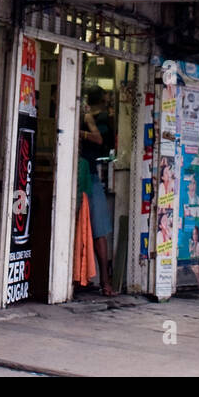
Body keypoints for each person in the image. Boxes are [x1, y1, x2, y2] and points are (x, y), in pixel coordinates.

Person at [79, 87, 115, 296]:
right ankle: (97, 280)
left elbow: (99, 140)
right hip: (84, 175)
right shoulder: (89, 117)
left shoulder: (94, 119)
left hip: (89, 174)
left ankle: (103, 281)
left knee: (98, 229)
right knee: (91, 229)